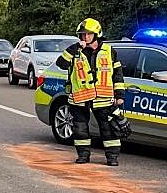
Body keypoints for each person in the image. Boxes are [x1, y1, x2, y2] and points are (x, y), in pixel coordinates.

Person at [54, 18, 126, 166]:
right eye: (82, 34)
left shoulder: (109, 51)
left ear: (96, 34)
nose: (85, 37)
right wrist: (74, 48)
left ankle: (112, 158)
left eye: (89, 34)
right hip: (80, 97)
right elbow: (60, 64)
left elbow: (117, 75)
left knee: (108, 130)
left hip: (103, 98)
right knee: (80, 129)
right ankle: (83, 156)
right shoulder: (74, 51)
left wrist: (119, 95)